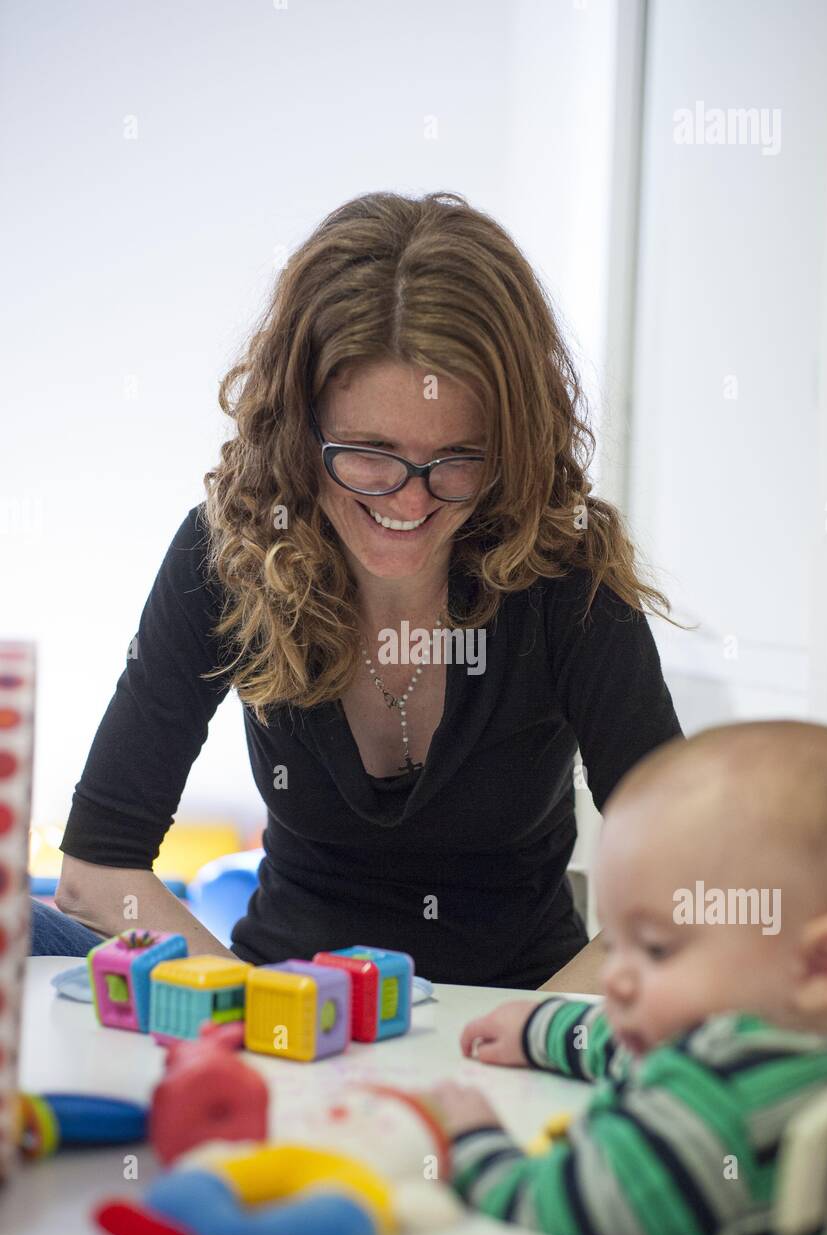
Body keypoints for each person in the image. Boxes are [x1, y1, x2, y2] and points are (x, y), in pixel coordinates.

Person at [38, 190, 681, 988]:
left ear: (513, 445)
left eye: (458, 458)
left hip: (511, 1014)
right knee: (29, 925)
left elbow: (686, 897)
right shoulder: (228, 552)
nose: (409, 503)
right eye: (368, 453)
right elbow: (96, 874)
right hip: (281, 1009)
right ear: (297, 430)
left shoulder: (567, 578)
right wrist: (263, 1012)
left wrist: (519, 1035)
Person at [425, 721, 827, 1235]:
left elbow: (553, 1205)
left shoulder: (716, 1102)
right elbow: (640, 1044)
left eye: (656, 949)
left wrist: (471, 1137)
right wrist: (539, 1027)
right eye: (615, 942)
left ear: (820, 966)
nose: (613, 979)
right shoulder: (800, 1040)